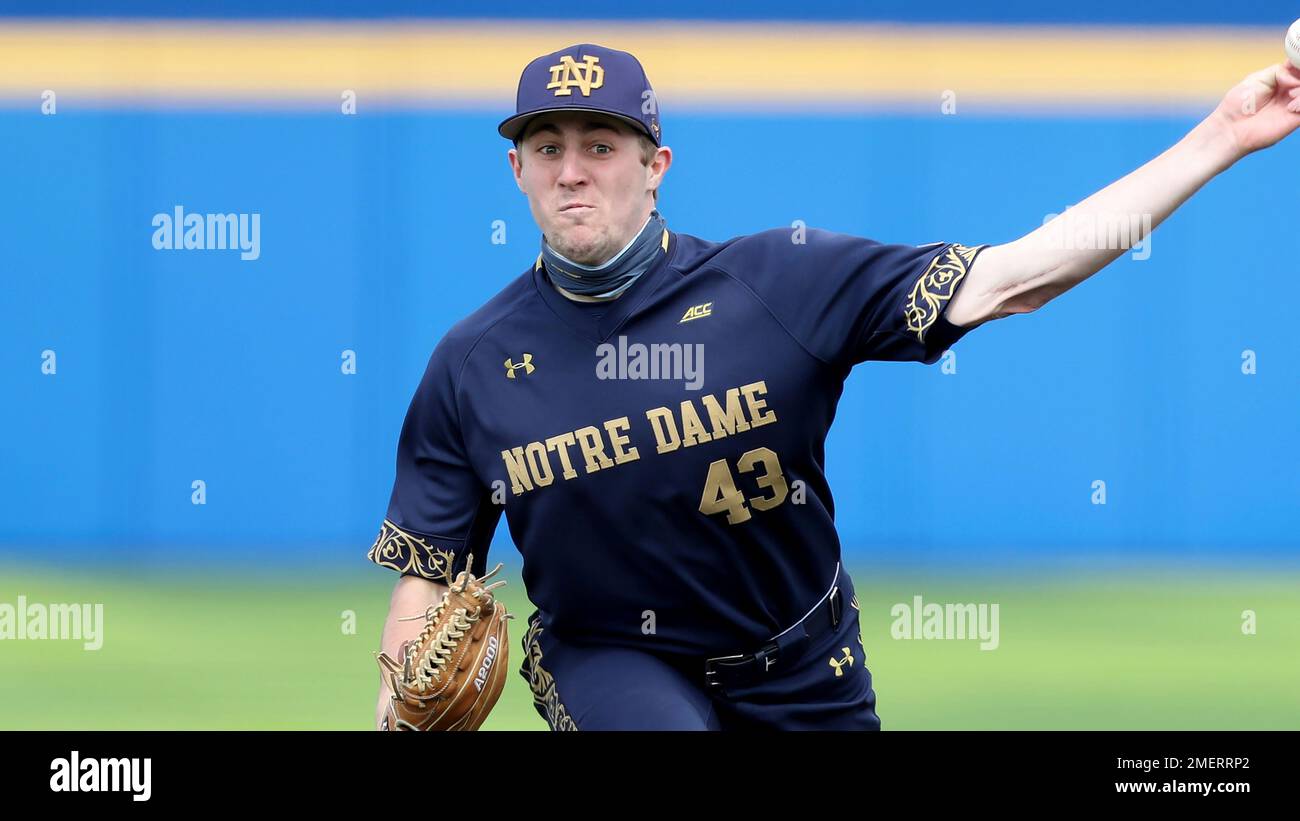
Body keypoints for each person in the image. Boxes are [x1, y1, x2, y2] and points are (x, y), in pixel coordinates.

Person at [370, 43, 1300, 730]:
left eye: (602, 144)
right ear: (516, 171)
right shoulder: (472, 363)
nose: (572, 169)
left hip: (805, 662)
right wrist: (396, 699)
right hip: (613, 659)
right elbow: (428, 578)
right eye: (547, 146)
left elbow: (1021, 277)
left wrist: (1224, 134)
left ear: (656, 168)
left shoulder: (779, 282)